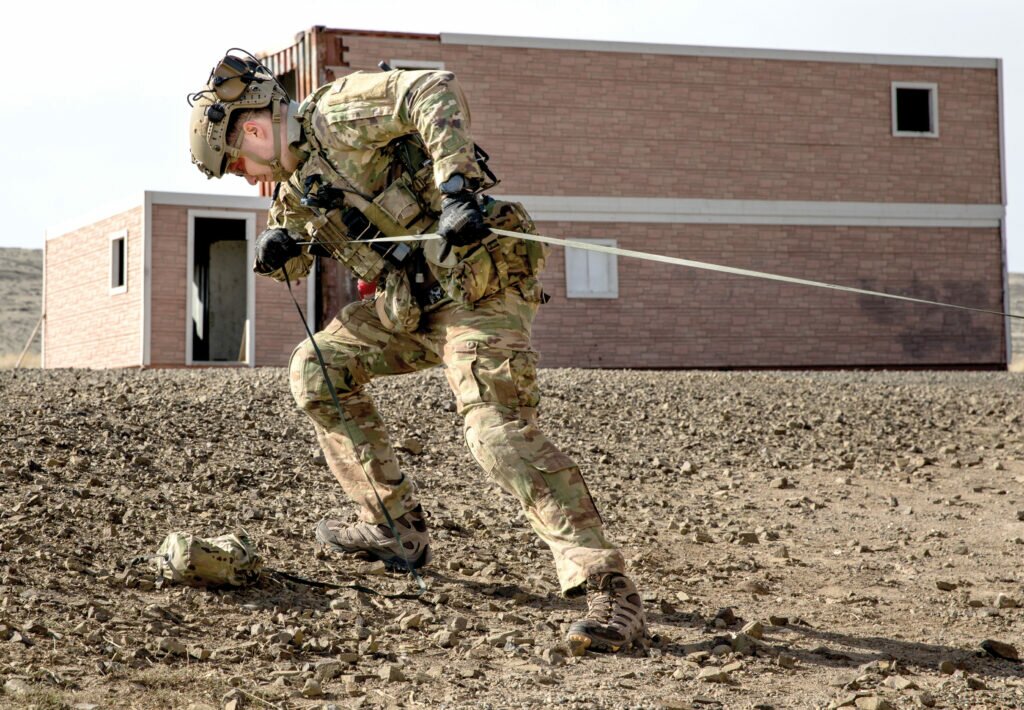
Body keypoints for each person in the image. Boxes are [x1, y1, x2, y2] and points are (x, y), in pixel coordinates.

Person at [188, 52, 646, 653]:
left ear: (251, 130)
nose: (248, 177)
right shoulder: (295, 189)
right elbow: (302, 255)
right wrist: (280, 251)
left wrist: (456, 189)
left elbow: (433, 88)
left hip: (480, 290)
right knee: (316, 369)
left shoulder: (338, 113)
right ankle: (392, 527)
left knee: (494, 433)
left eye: (239, 165)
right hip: (411, 308)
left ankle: (609, 590)